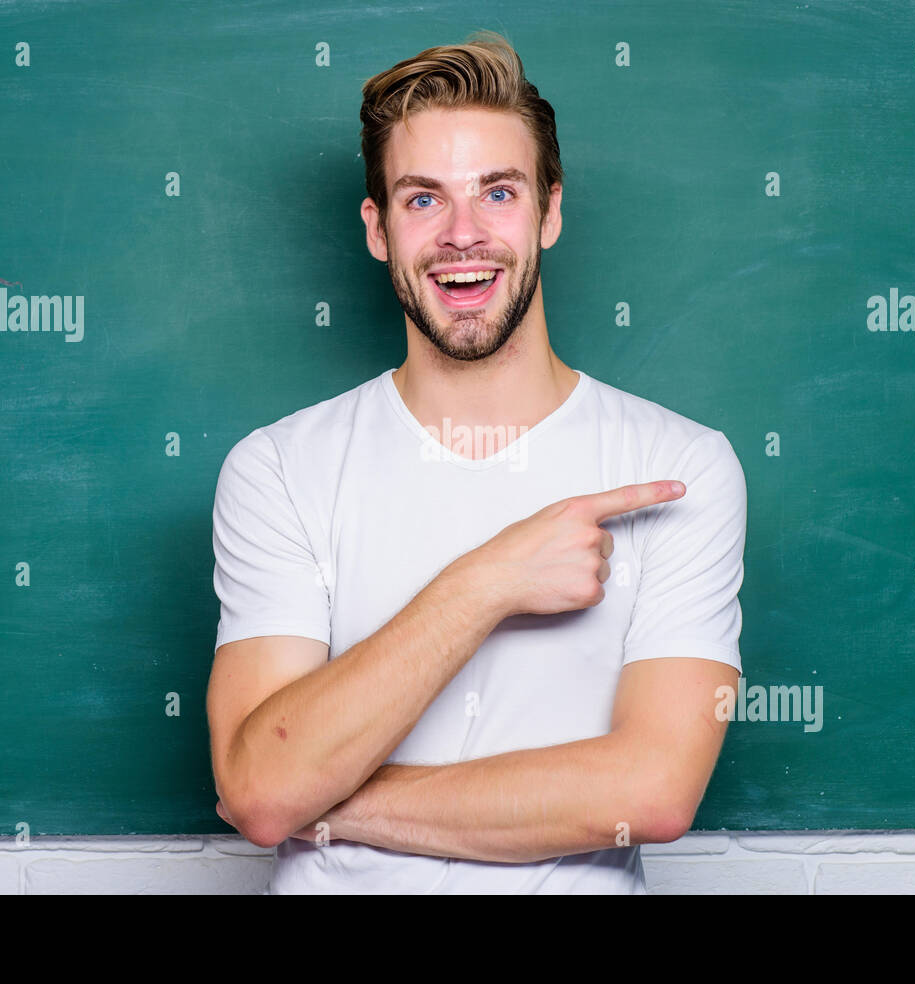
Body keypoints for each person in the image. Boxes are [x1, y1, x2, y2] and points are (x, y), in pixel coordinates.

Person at [206, 30, 747, 894]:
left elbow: (652, 791)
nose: (463, 234)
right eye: (423, 200)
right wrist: (487, 581)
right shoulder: (276, 470)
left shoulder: (680, 466)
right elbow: (262, 790)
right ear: (378, 230)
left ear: (550, 211)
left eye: (498, 192)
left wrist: (330, 797)